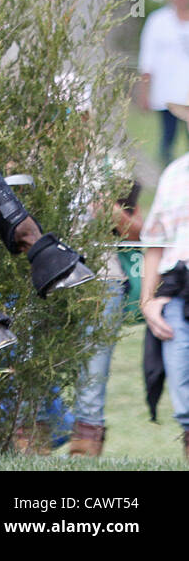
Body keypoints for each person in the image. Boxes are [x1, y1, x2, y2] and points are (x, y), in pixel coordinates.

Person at [68, 179, 143, 456]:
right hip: (42, 277)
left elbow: (136, 233)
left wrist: (107, 208)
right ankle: (30, 447)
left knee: (93, 377)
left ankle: (84, 453)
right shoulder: (23, 160)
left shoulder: (109, 167)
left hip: (103, 278)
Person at [141, 97, 189, 460]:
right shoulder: (176, 173)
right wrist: (148, 301)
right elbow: (154, 243)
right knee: (185, 406)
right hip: (177, 295)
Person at [137, 0, 189, 167]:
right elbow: (147, 58)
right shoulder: (158, 21)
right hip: (167, 91)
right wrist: (144, 91)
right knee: (168, 137)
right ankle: (167, 173)